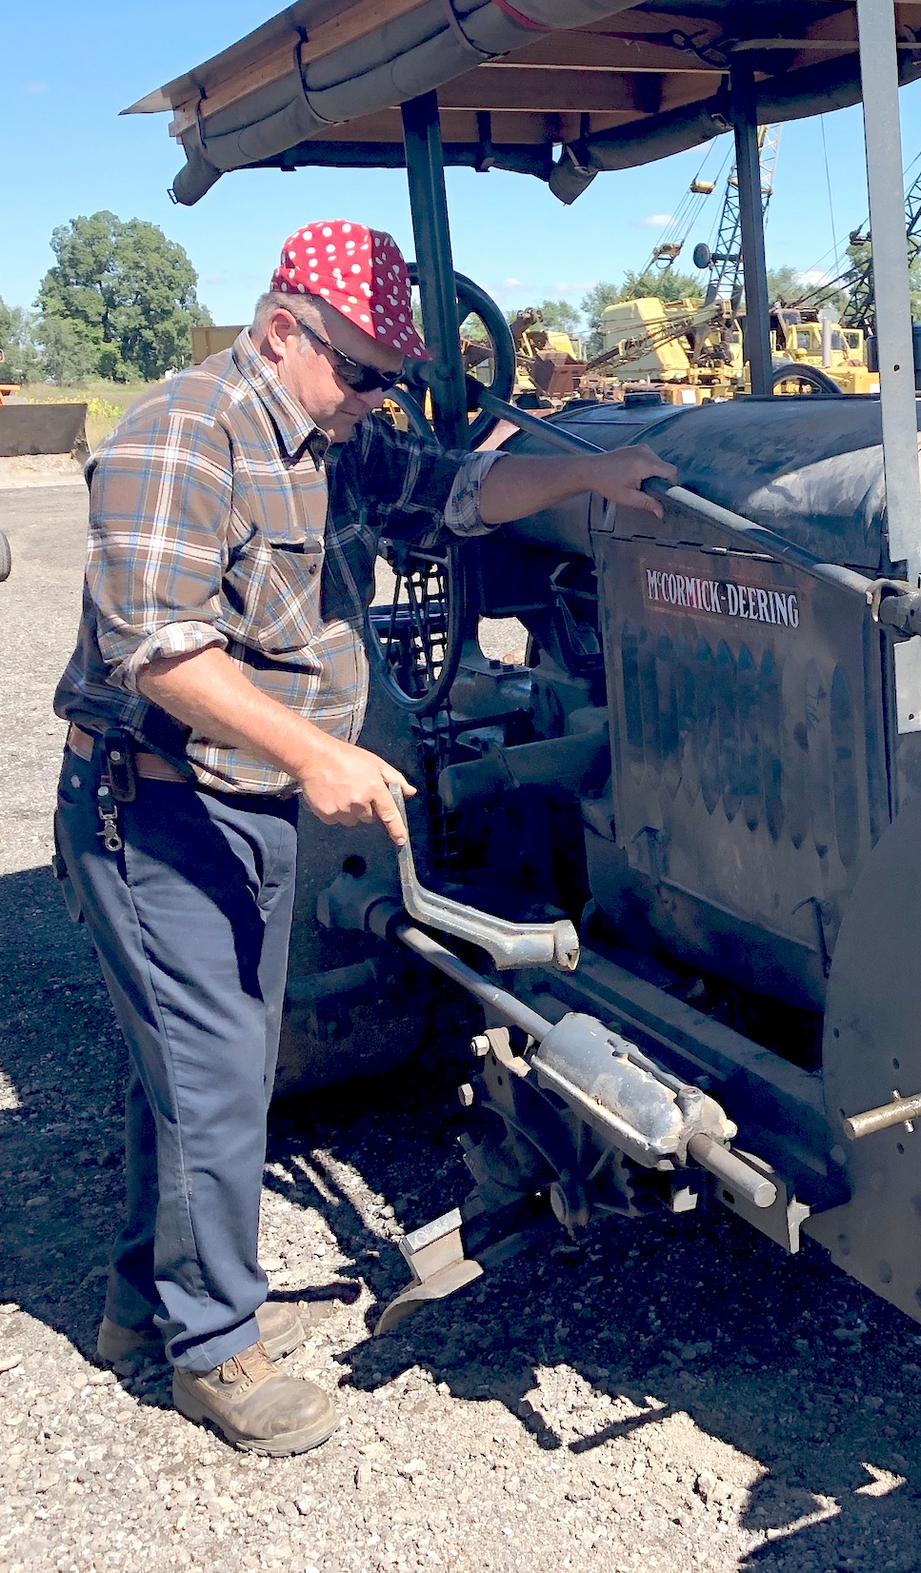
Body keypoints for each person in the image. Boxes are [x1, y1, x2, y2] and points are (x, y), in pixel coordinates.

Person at [51, 222, 673, 1456]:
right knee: (215, 1071)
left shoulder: (337, 432)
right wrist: (316, 751)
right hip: (158, 802)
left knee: (198, 1063)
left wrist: (591, 475)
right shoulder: (183, 434)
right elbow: (158, 649)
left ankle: (143, 1305)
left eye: (389, 378)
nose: (375, 398)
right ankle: (215, 1351)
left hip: (245, 798)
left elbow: (456, 493)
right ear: (283, 329)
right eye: (362, 373)